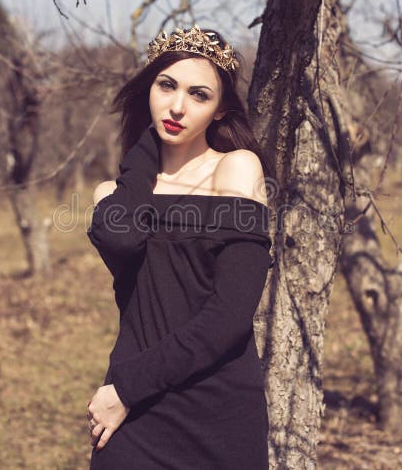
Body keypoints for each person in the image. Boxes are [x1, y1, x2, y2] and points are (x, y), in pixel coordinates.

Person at [85, 25, 275, 469]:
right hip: (132, 421)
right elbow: (123, 236)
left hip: (215, 413)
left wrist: (126, 389)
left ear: (221, 109)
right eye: (166, 85)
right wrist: (148, 149)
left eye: (199, 95)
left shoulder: (236, 170)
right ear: (147, 89)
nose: (177, 106)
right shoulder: (113, 195)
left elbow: (227, 318)